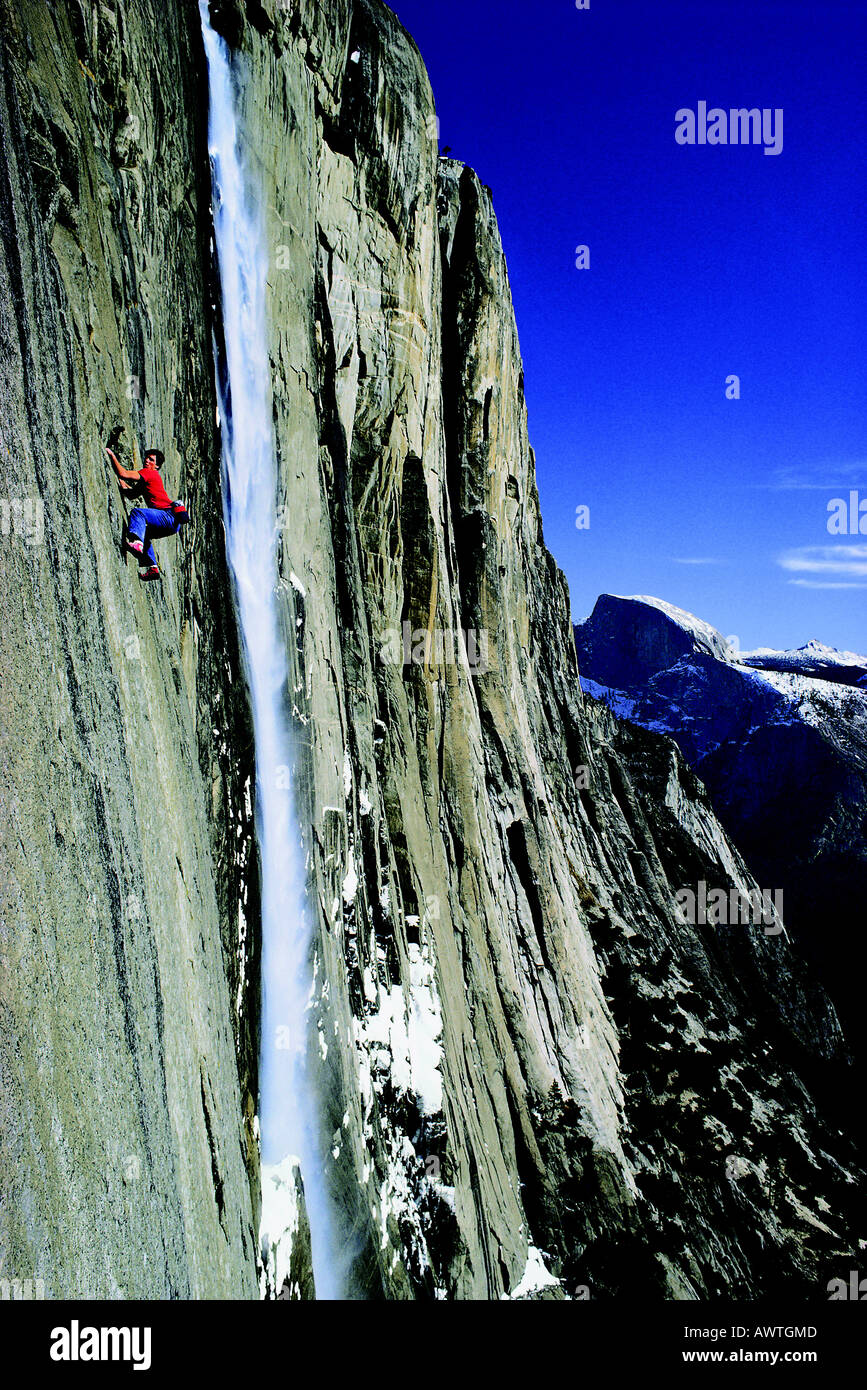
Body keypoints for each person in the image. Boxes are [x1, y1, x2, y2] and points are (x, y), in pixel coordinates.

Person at [105, 445, 189, 582]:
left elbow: (124, 474)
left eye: (151, 460)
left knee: (137, 513)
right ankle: (153, 567)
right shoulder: (147, 481)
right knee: (146, 534)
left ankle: (137, 543)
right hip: (173, 524)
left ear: (156, 466)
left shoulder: (150, 473)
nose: (147, 461)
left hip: (168, 516)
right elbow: (132, 495)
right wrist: (124, 487)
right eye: (147, 459)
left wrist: (112, 456)